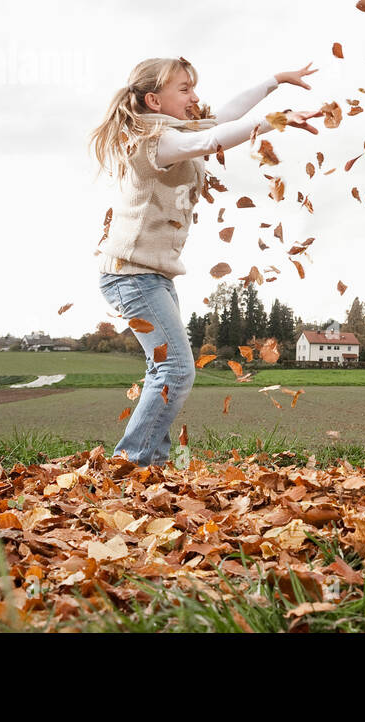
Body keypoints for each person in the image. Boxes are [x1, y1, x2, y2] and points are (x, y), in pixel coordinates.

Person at [87, 56, 323, 466]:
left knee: (166, 372)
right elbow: (215, 139)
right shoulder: (155, 142)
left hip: (151, 276)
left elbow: (224, 117)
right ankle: (129, 464)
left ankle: (150, 463)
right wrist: (277, 119)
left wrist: (276, 79)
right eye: (184, 89)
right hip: (130, 275)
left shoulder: (176, 129)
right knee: (176, 370)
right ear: (154, 100)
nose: (195, 97)